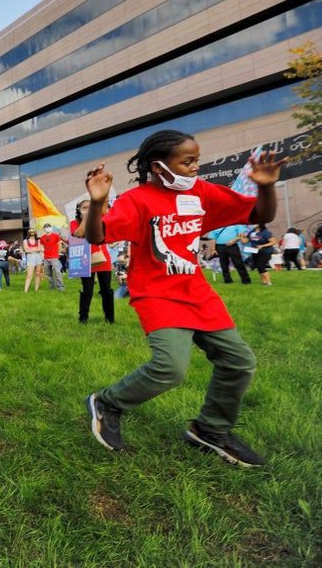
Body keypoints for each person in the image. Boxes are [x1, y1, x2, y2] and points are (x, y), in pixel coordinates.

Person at [83, 129, 285, 467]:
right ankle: (108, 403)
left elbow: (259, 215)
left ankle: (210, 430)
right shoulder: (137, 200)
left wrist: (265, 186)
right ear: (159, 167)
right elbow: (97, 235)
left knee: (240, 361)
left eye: (197, 160)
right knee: (170, 368)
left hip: (198, 293)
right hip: (157, 294)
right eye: (187, 162)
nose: (195, 168)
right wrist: (99, 203)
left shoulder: (202, 193)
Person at [71, 199, 114, 324]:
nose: (87, 209)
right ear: (79, 210)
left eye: (90, 207)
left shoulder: (100, 218)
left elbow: (106, 209)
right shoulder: (74, 223)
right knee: (87, 290)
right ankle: (83, 318)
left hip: (103, 258)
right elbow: (78, 234)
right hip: (85, 260)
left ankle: (110, 319)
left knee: (106, 289)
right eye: (84, 207)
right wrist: (85, 219)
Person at [40, 224, 66, 291]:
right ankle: (52, 287)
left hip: (54, 256)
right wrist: (42, 251)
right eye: (46, 227)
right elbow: (41, 246)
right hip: (46, 257)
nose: (47, 228)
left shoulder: (56, 236)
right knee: (48, 273)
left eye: (48, 227)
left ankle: (61, 287)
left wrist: (57, 252)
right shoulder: (42, 238)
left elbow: (59, 244)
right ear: (44, 229)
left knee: (57, 272)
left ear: (51, 228)